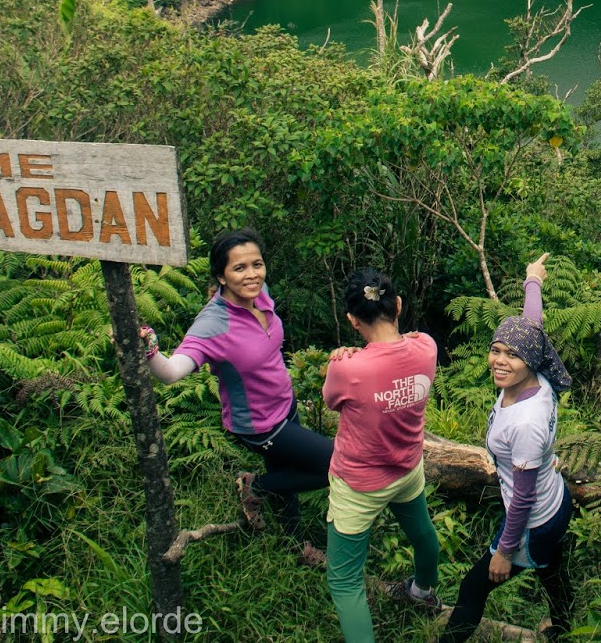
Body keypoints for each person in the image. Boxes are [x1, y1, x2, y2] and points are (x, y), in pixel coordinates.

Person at [138, 227, 331, 563]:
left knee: (286, 476)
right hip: (260, 425)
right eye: (239, 268)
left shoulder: (260, 294)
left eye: (257, 264)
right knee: (335, 464)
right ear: (221, 276)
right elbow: (170, 373)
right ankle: (254, 488)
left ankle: (294, 546)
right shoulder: (213, 325)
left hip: (286, 405)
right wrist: (149, 347)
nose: (252, 274)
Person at [441, 254, 575, 642]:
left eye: (512, 355)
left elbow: (523, 498)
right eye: (496, 350)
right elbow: (533, 324)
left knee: (472, 588)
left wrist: (504, 551)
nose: (500, 361)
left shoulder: (526, 423)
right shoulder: (539, 376)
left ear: (529, 359)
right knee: (551, 570)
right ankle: (563, 630)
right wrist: (533, 280)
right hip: (557, 499)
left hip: (534, 518)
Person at [322, 267, 442, 642]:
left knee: (344, 581)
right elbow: (406, 344)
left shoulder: (346, 368)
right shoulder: (427, 347)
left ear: (352, 319)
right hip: (407, 468)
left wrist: (343, 357)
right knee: (422, 533)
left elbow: (331, 402)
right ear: (398, 305)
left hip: (359, 484)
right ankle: (423, 591)